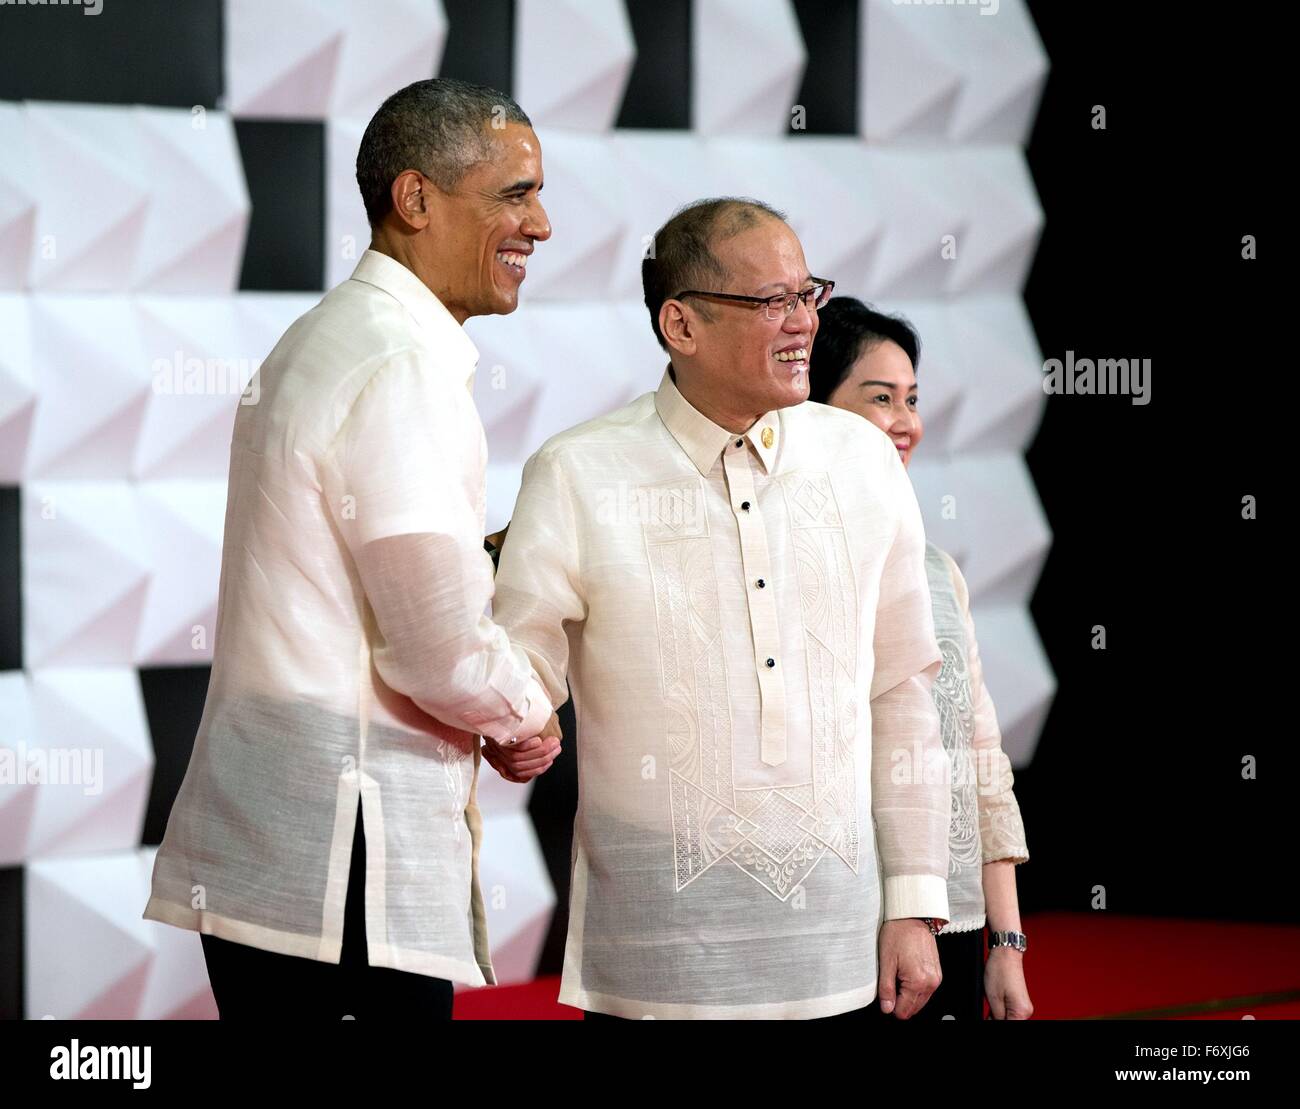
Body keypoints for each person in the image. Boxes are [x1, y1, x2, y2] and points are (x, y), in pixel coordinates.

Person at [142, 78, 560, 1019]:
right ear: (416, 200)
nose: (542, 224)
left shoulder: (327, 338)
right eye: (515, 194)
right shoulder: (401, 365)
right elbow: (435, 647)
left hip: (288, 864)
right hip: (344, 870)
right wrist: (526, 715)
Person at [489, 198, 952, 1020]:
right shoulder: (578, 472)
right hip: (656, 962)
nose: (803, 322)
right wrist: (515, 725)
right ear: (681, 324)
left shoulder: (862, 463)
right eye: (771, 301)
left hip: (839, 955)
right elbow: (519, 669)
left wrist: (914, 903)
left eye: (808, 294)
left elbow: (903, 694)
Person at [808, 296, 1033, 1020]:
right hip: (847, 932)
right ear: (817, 406)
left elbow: (980, 761)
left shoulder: (938, 570)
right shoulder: (793, 565)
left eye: (912, 398)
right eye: (881, 398)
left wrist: (1007, 939)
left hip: (957, 926)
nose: (907, 421)